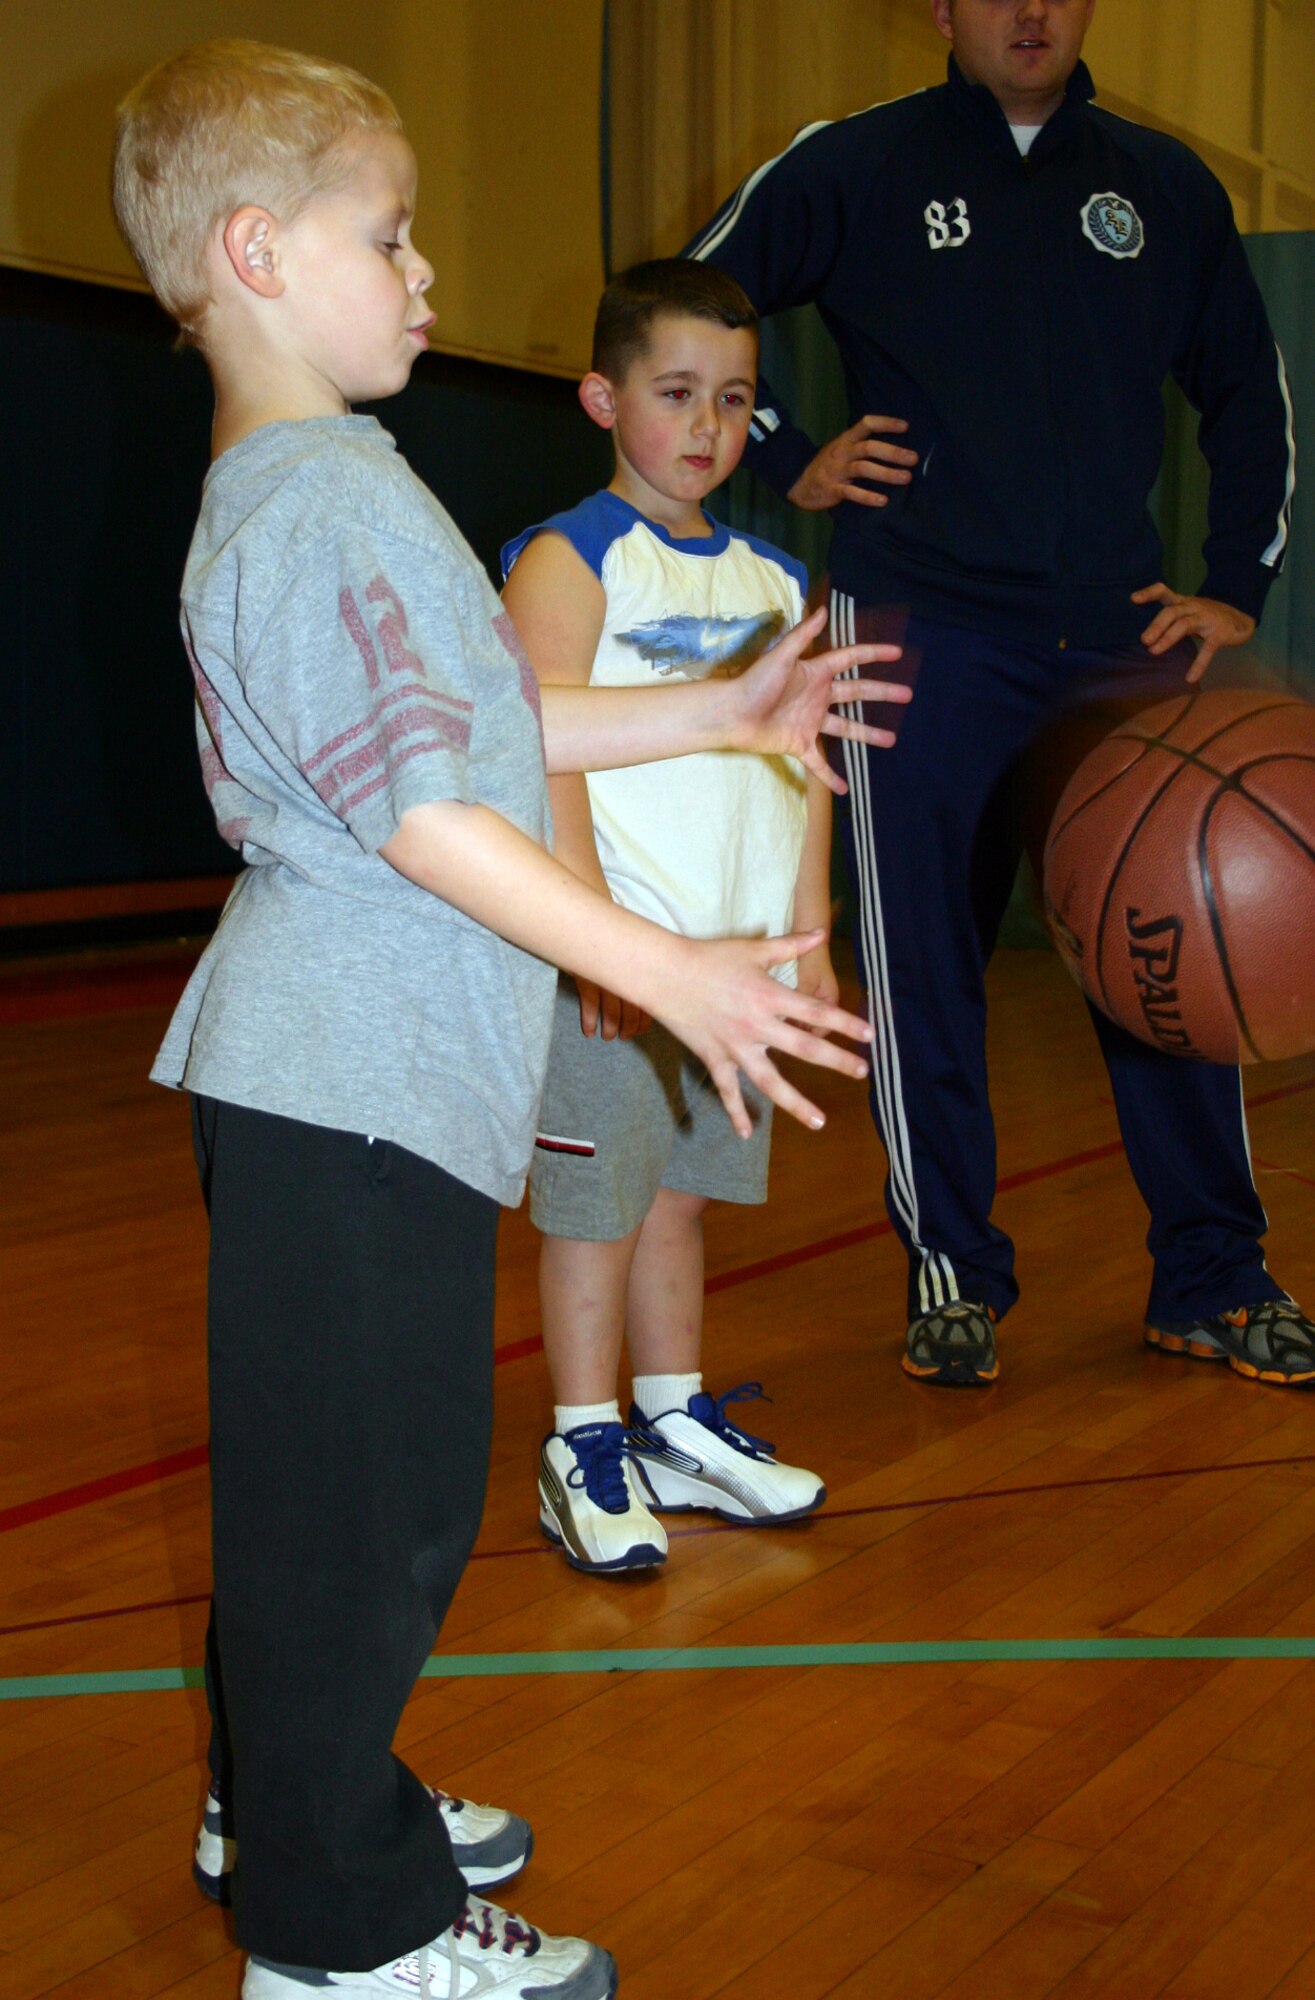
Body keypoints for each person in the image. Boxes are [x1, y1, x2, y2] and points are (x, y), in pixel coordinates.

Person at [111, 39, 909, 2000]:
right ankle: (339, 1932)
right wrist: (663, 962)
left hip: (356, 1080)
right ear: (257, 251)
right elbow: (426, 812)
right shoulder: (320, 500)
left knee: (340, 1488)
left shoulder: (326, 483)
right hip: (346, 1084)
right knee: (366, 1511)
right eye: (389, 235)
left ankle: (287, 1799)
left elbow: (486, 723)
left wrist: (721, 707)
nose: (425, 272)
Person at [685, 0, 1315, 1390]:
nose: (1029, 10)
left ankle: (1214, 1276)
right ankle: (953, 1273)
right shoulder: (854, 162)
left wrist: (1235, 585)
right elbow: (680, 301)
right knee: (922, 964)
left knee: (1172, 940)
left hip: (1118, 638)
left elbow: (1249, 395)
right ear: (941, 8)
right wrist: (781, 448)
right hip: (919, 625)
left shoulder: (1163, 187)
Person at [502, 260, 833, 1577]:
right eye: (677, 392)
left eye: (735, 400)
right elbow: (536, 749)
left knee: (683, 1202)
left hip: (729, 971)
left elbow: (806, 771)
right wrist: (591, 933)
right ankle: (581, 1441)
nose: (708, 426)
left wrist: (809, 937)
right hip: (619, 957)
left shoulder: (776, 580)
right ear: (603, 399)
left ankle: (672, 1420)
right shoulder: (570, 556)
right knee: (597, 1211)